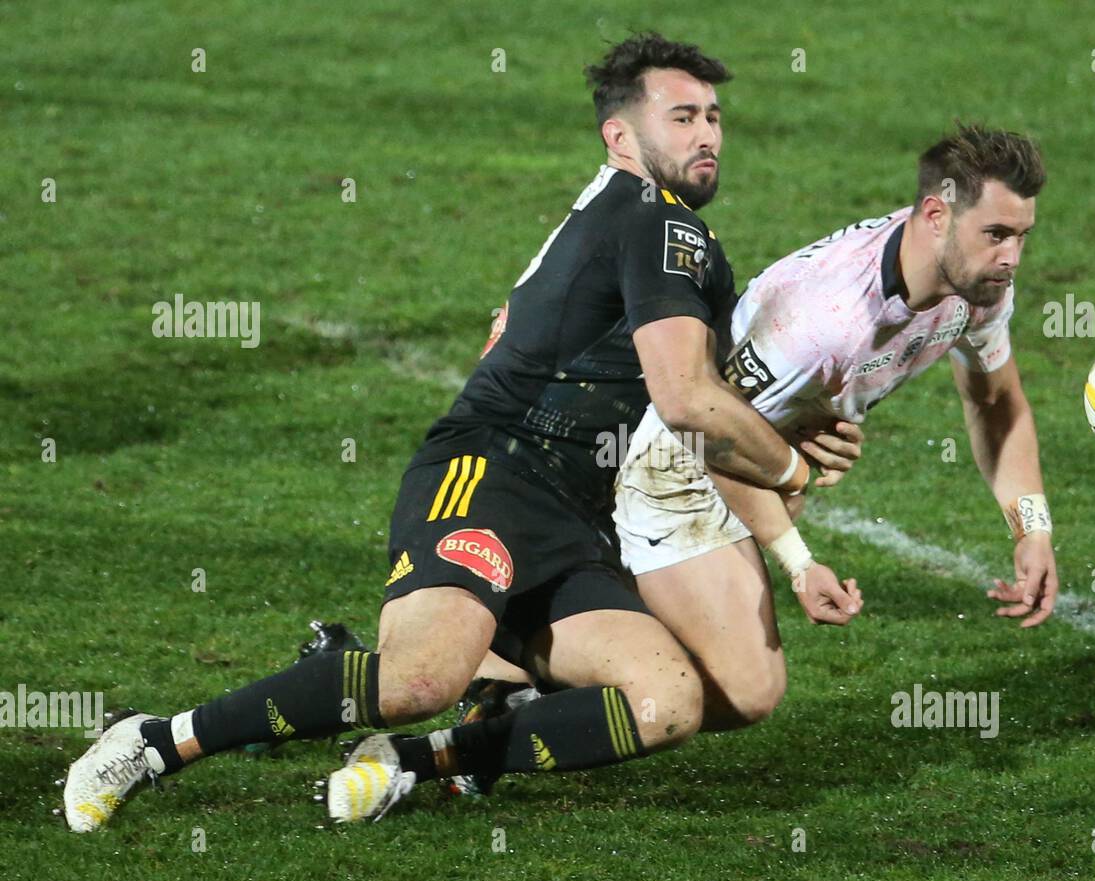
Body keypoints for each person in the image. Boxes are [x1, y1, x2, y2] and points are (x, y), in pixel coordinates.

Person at [63, 32, 857, 831]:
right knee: (416, 680)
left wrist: (785, 524)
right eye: (682, 117)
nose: (708, 135)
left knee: (668, 700)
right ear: (620, 136)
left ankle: (413, 753)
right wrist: (790, 469)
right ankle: (155, 740)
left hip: (578, 519)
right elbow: (686, 398)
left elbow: (676, 399)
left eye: (714, 117)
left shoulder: (642, 221)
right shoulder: (656, 221)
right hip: (495, 475)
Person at [445, 124, 1059, 797]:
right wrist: (797, 558)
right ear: (937, 215)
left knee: (680, 671)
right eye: (997, 233)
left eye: (1021, 235)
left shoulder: (975, 283)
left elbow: (996, 401)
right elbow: (706, 432)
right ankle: (488, 692)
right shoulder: (824, 319)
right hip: (672, 467)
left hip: (752, 458)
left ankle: (496, 670)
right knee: (741, 688)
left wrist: (1031, 526)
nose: (1012, 257)